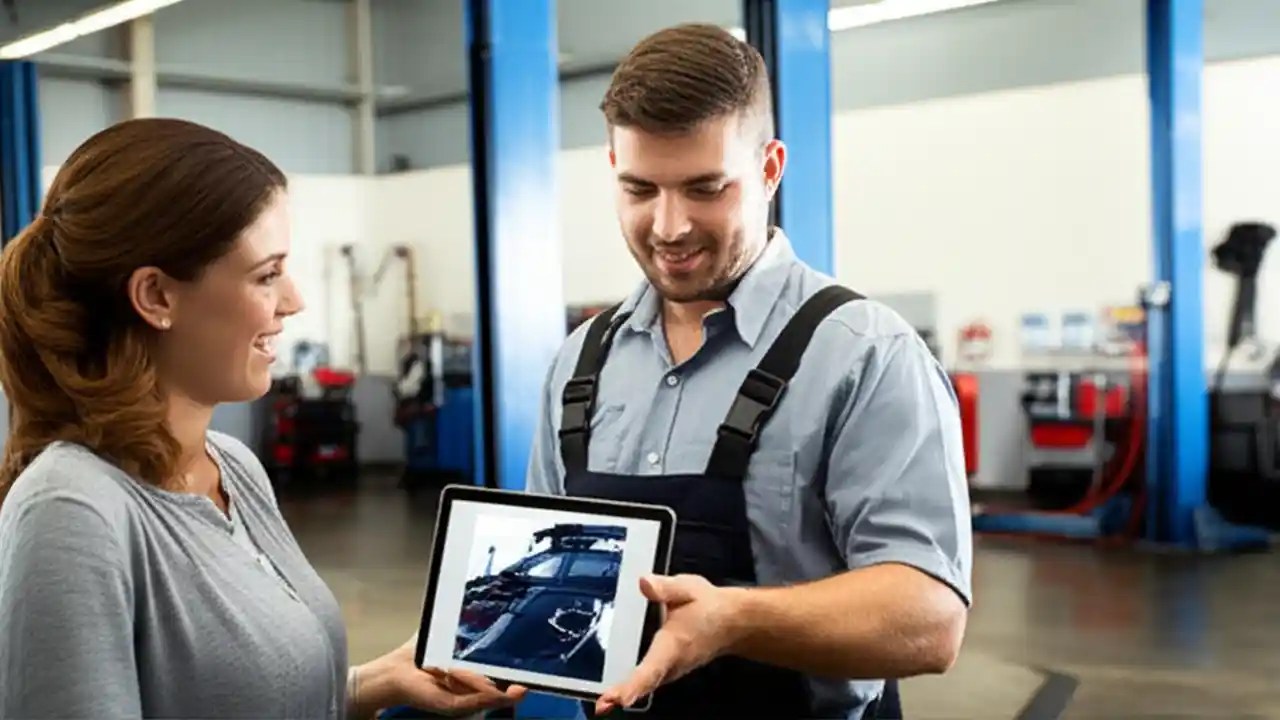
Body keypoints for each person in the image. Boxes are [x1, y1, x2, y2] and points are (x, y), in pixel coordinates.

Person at [0, 118, 526, 719]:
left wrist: (369, 684)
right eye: (267, 274)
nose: (294, 299)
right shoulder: (72, 511)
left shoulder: (235, 469)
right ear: (156, 297)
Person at [525, 23, 973, 719]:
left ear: (768, 169)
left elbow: (929, 618)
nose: (669, 227)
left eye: (705, 189)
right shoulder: (581, 361)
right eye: (639, 189)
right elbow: (550, 574)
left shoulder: (864, 355)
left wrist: (734, 621)